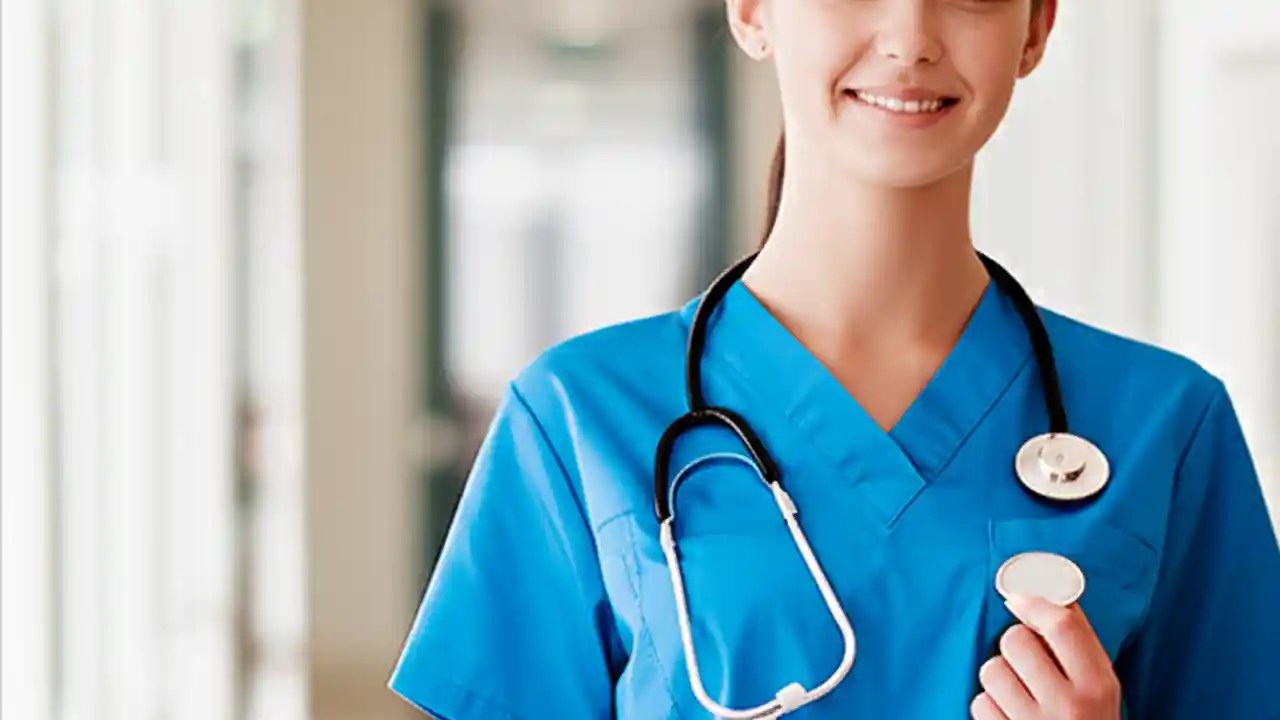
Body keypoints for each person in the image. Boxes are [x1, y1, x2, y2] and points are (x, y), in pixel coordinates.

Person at [388, 0, 1280, 717]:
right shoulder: (579, 417)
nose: (910, 35)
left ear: (1038, 27)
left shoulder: (1167, 424)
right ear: (752, 11)